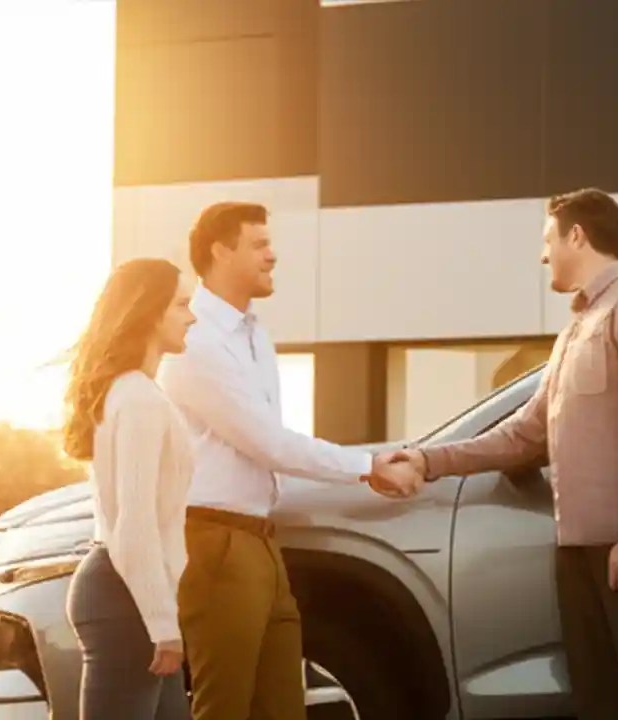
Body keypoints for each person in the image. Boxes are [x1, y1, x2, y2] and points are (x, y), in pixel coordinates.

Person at [391, 188, 618, 719]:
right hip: (576, 549)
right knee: (598, 702)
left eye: (548, 239)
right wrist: (427, 460)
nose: (543, 254)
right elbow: (523, 436)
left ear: (577, 235)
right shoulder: (575, 330)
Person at [158, 201, 421, 720]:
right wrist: (367, 466)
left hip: (260, 539)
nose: (272, 255)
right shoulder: (196, 341)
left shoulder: (255, 335)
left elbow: (272, 446)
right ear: (220, 251)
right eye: (258, 244)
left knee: (283, 708)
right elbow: (269, 442)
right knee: (225, 709)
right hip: (216, 543)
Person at [62, 258, 197, 720]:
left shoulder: (136, 393)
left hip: (131, 593)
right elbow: (135, 525)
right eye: (181, 305)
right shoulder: (138, 399)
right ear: (150, 312)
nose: (192, 317)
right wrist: (162, 625)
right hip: (125, 599)